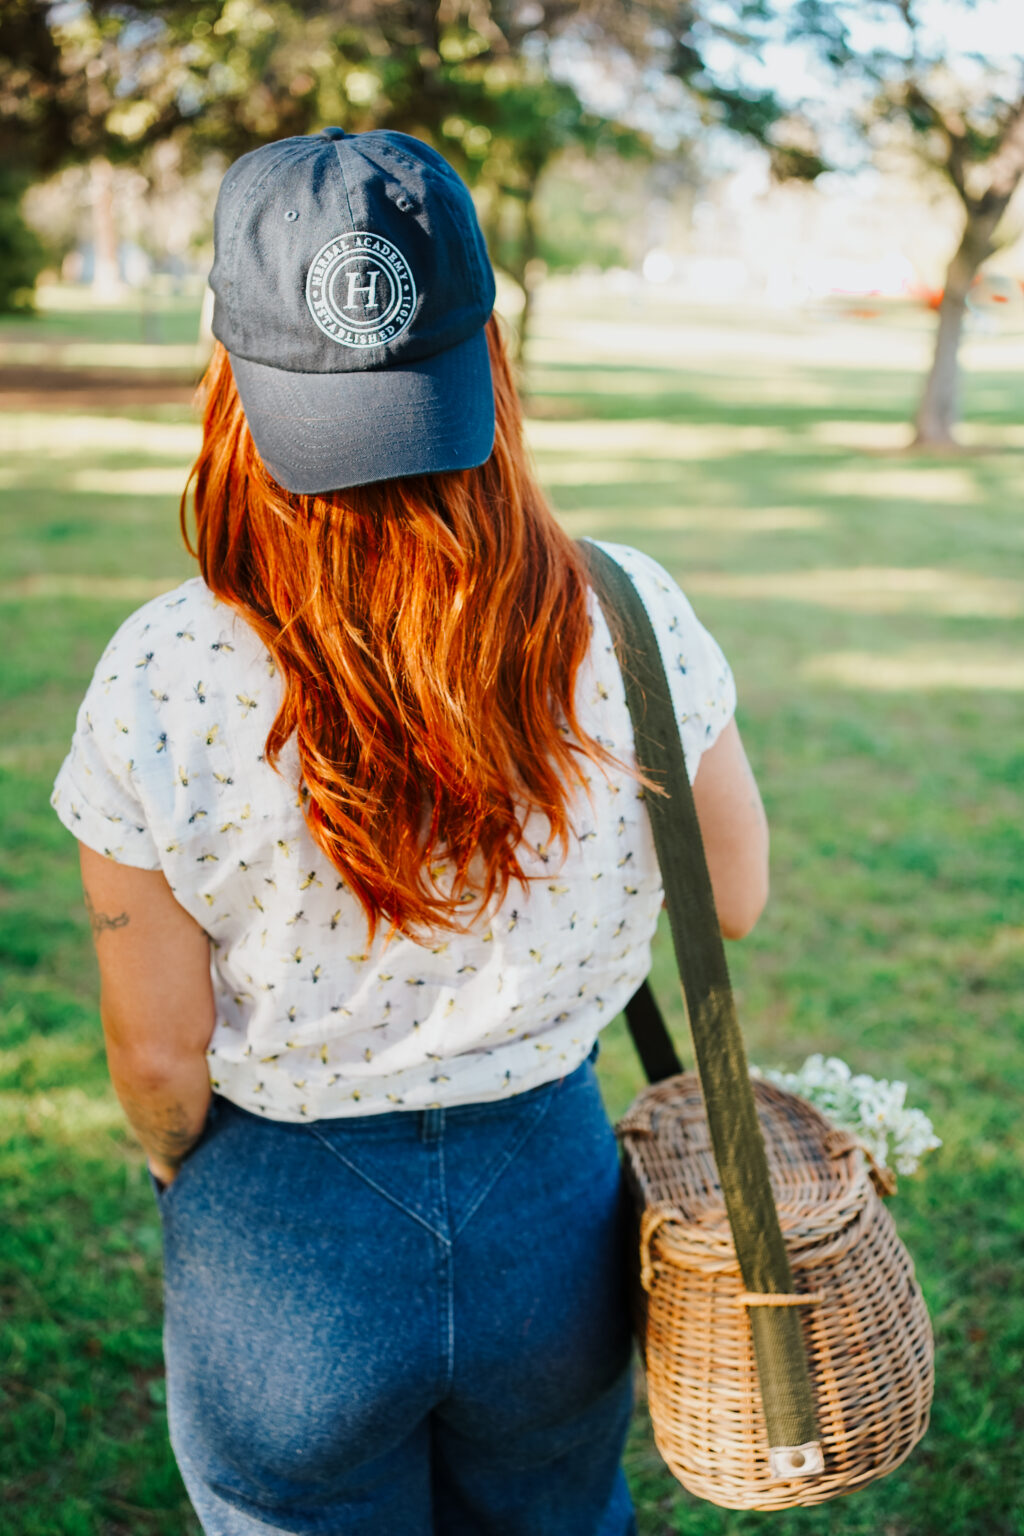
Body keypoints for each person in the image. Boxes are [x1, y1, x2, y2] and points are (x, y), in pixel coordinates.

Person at [52, 127, 769, 1536]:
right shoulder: (625, 608)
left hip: (283, 1238)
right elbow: (733, 896)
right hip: (551, 1206)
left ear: (228, 371)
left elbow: (156, 1057)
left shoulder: (161, 668)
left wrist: (178, 1157)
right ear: (487, 351)